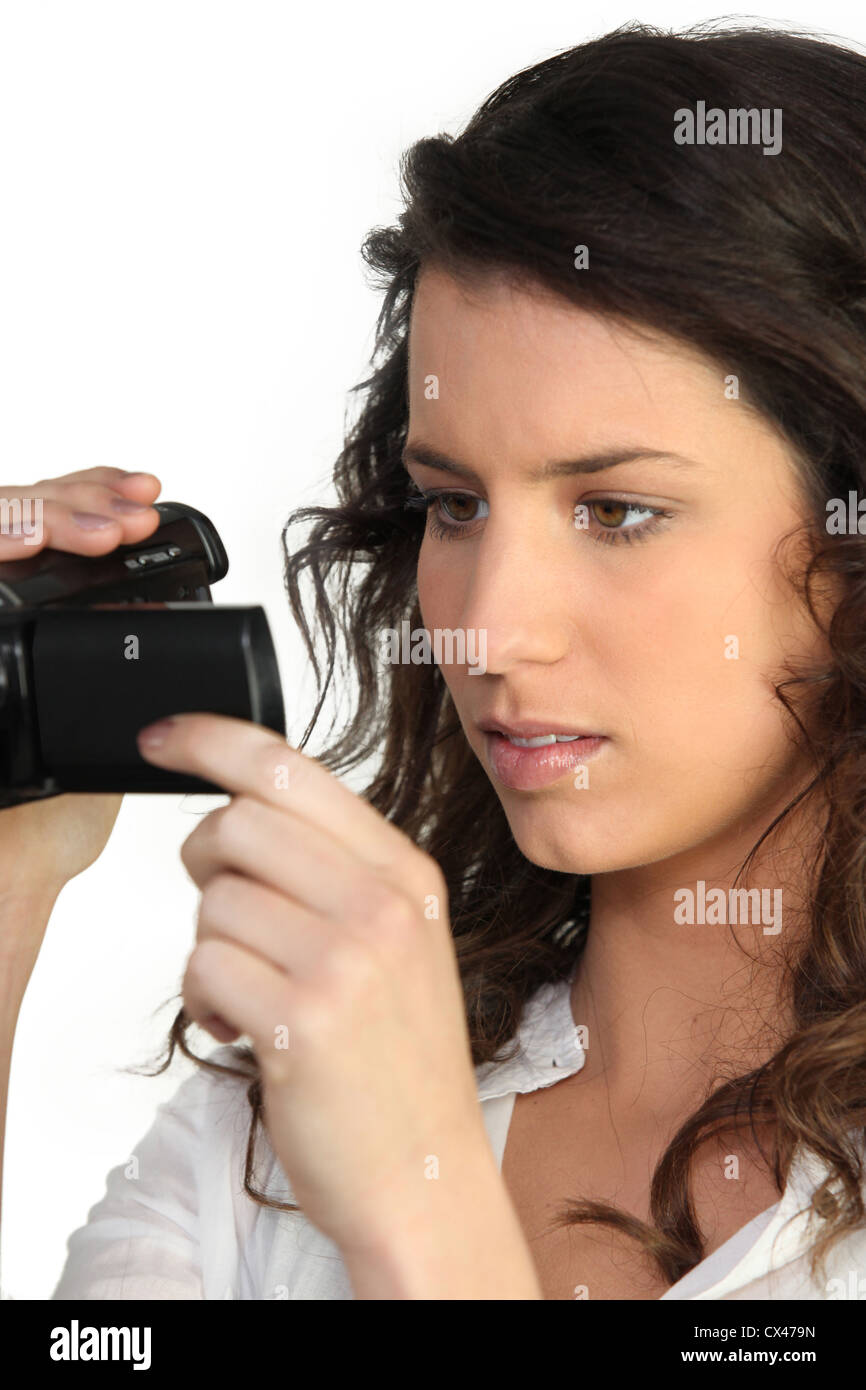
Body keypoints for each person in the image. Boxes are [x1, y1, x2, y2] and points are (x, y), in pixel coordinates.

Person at [4, 20, 866, 1300]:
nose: (483, 627)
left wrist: (419, 1210)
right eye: (454, 505)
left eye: (614, 509)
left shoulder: (372, 1119)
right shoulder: (277, 1119)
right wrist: (16, 854)